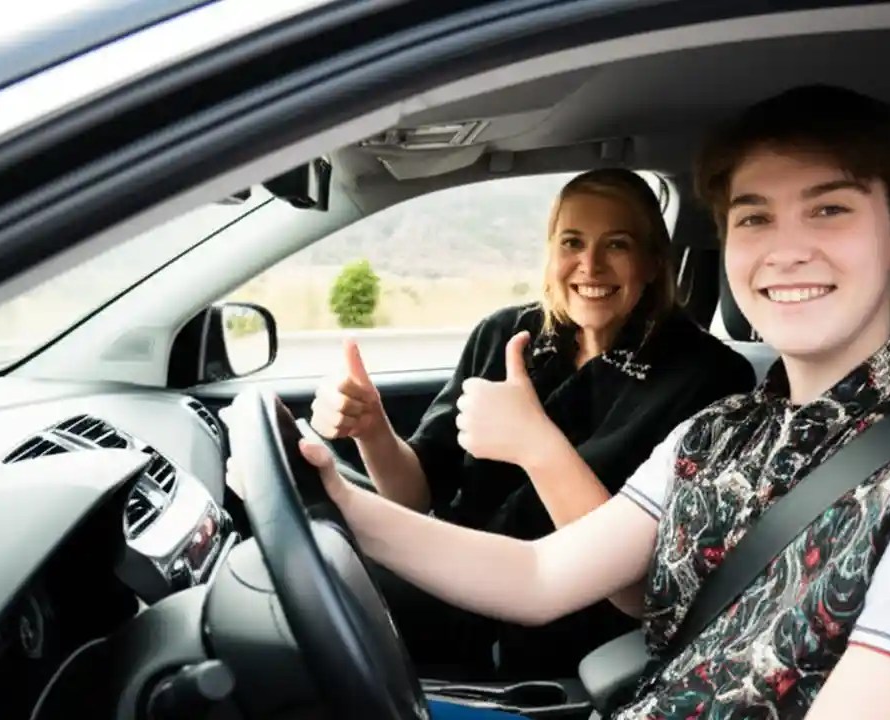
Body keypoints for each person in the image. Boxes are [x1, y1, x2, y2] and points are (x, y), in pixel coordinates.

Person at [280, 85, 890, 718]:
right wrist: (332, 496)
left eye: (829, 210)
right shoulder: (721, 429)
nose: (786, 249)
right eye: (753, 217)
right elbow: (538, 574)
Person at [308, 168, 757, 678]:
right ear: (551, 253)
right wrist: (371, 429)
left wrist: (534, 444)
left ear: (654, 262)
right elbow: (413, 494)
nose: (590, 264)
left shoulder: (708, 377)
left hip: (565, 637)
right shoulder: (506, 333)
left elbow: (648, 582)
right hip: (453, 583)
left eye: (617, 244)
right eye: (572, 242)